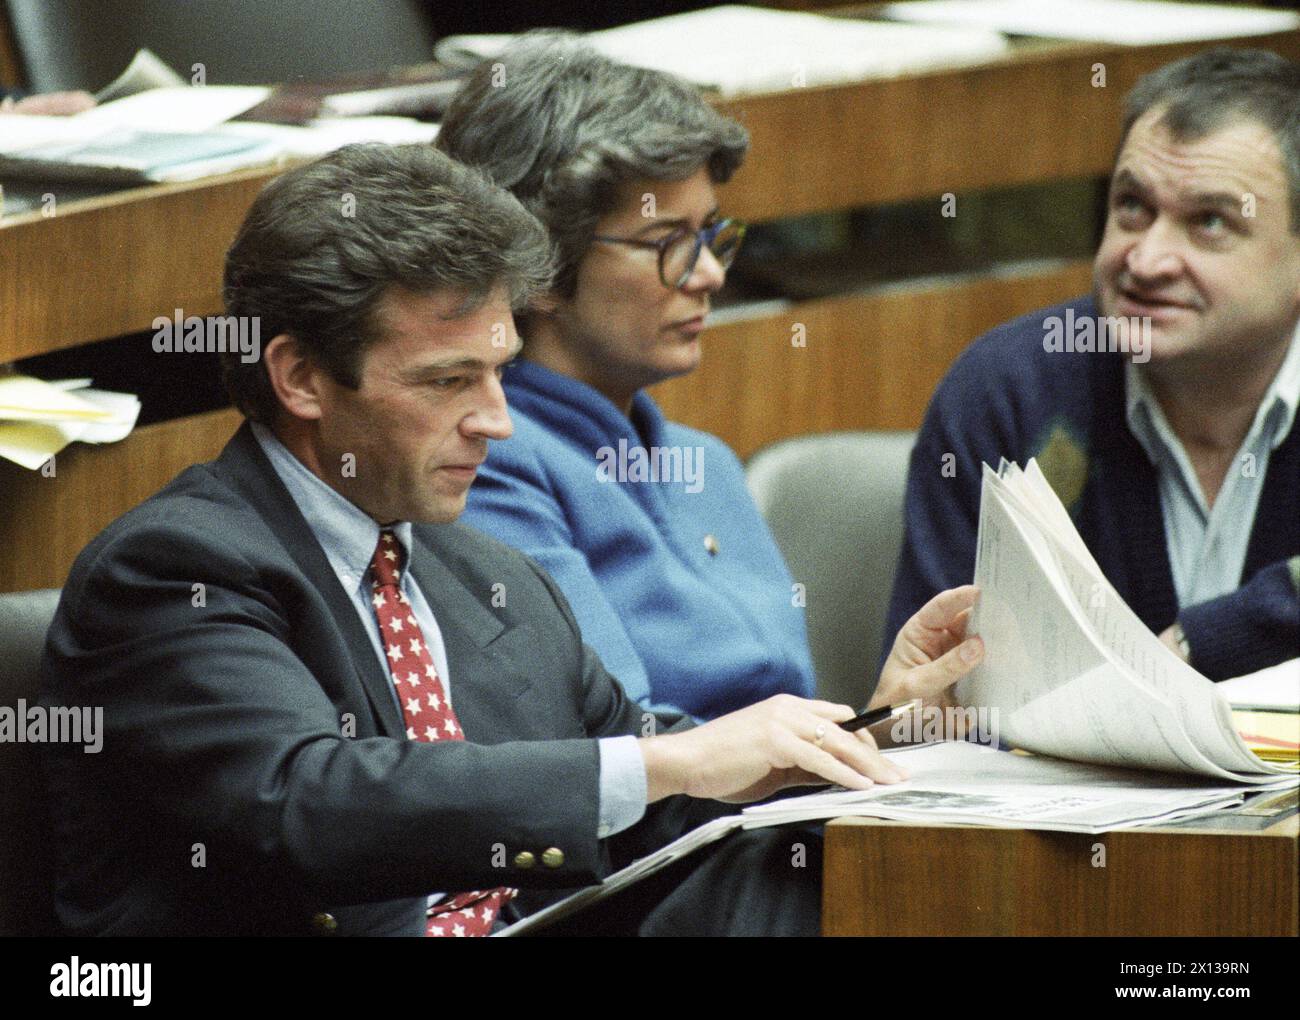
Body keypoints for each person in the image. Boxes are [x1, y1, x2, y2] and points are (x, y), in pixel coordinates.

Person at [39, 143, 984, 937]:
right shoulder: (174, 570)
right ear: (301, 377)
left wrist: (861, 736)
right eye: (449, 381)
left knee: (832, 883)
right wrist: (670, 762)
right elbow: (305, 804)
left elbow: (639, 805)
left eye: (500, 372)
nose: (498, 421)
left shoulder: (487, 575)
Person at [885, 47, 1299, 682]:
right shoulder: (1008, 392)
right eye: (1133, 207)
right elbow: (928, 708)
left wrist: (1206, 641)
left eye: (1209, 222)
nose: (1146, 260)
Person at [437, 33, 813, 720]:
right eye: (665, 243)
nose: (710, 274)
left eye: (710, 235)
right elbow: (620, 757)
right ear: (540, 266)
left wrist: (886, 719)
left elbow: (788, 721)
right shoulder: (487, 468)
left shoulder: (708, 463)